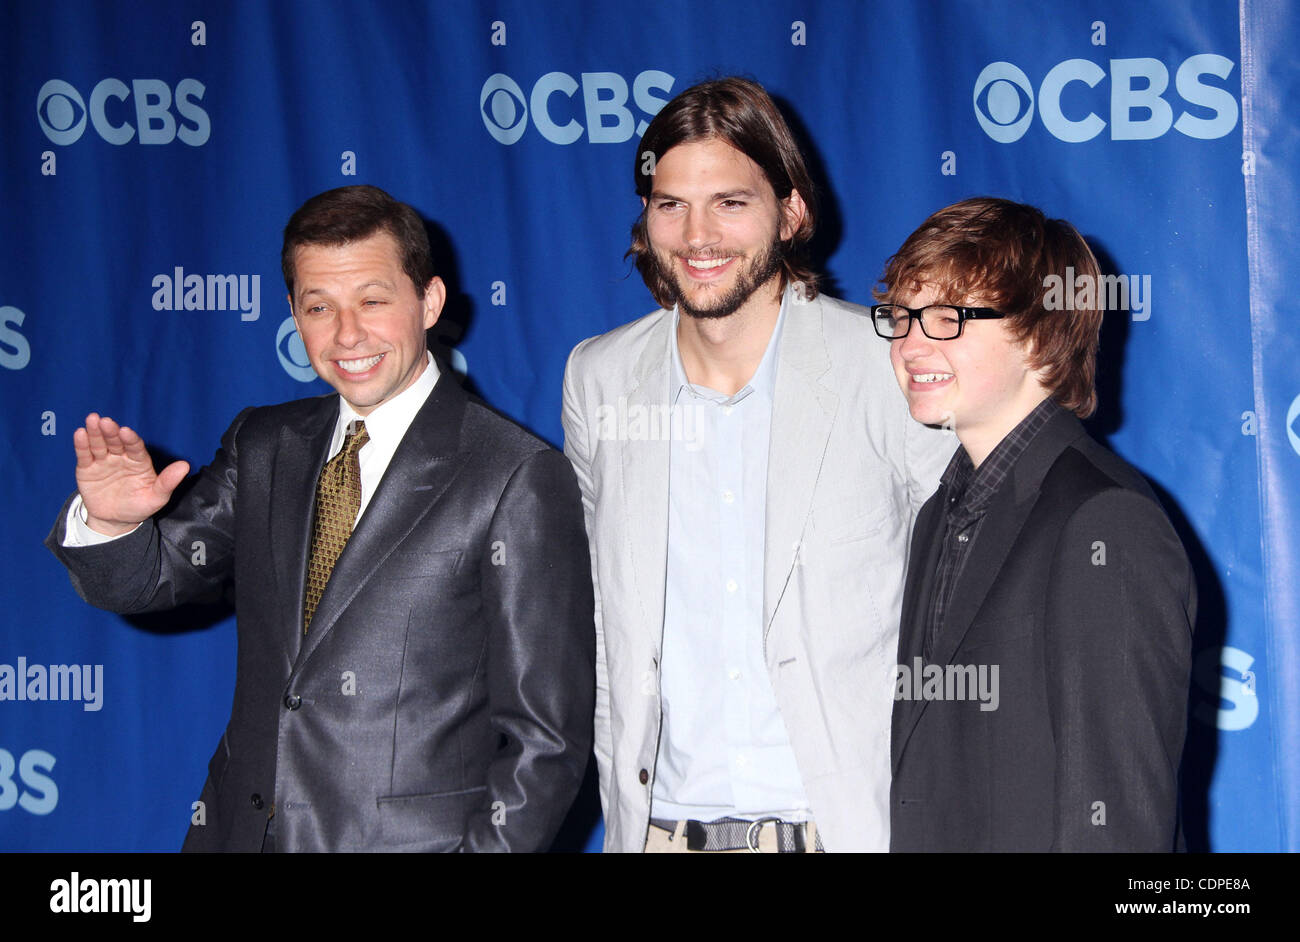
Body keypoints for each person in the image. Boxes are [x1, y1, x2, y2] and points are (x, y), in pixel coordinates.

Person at [47, 184, 595, 852]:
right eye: (318, 307)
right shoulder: (263, 444)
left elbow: (547, 740)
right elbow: (147, 582)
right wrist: (111, 523)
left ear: (429, 301)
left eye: (372, 300)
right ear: (292, 314)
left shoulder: (513, 474)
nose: (347, 334)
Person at [561, 77, 954, 852]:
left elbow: (960, 600)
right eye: (670, 204)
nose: (697, 235)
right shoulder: (597, 378)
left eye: (731, 203)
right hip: (661, 833)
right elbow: (602, 620)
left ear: (792, 211)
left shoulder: (887, 361)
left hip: (845, 832)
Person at [876, 196, 1195, 851]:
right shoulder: (942, 510)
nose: (911, 344)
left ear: (1040, 333)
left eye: (948, 318)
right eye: (902, 318)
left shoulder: (1105, 520)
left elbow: (1118, 823)